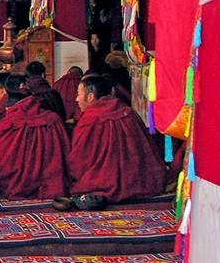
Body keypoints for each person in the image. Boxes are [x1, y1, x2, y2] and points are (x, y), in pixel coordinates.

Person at [62, 73, 166, 208]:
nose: (76, 99)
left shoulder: (90, 120)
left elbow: (79, 160)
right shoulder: (127, 112)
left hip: (101, 182)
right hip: (138, 181)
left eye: (78, 94)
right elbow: (146, 149)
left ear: (90, 97)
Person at [0, 74, 72, 201]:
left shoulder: (7, 123)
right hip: (52, 183)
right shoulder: (52, 119)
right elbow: (66, 150)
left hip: (14, 185)